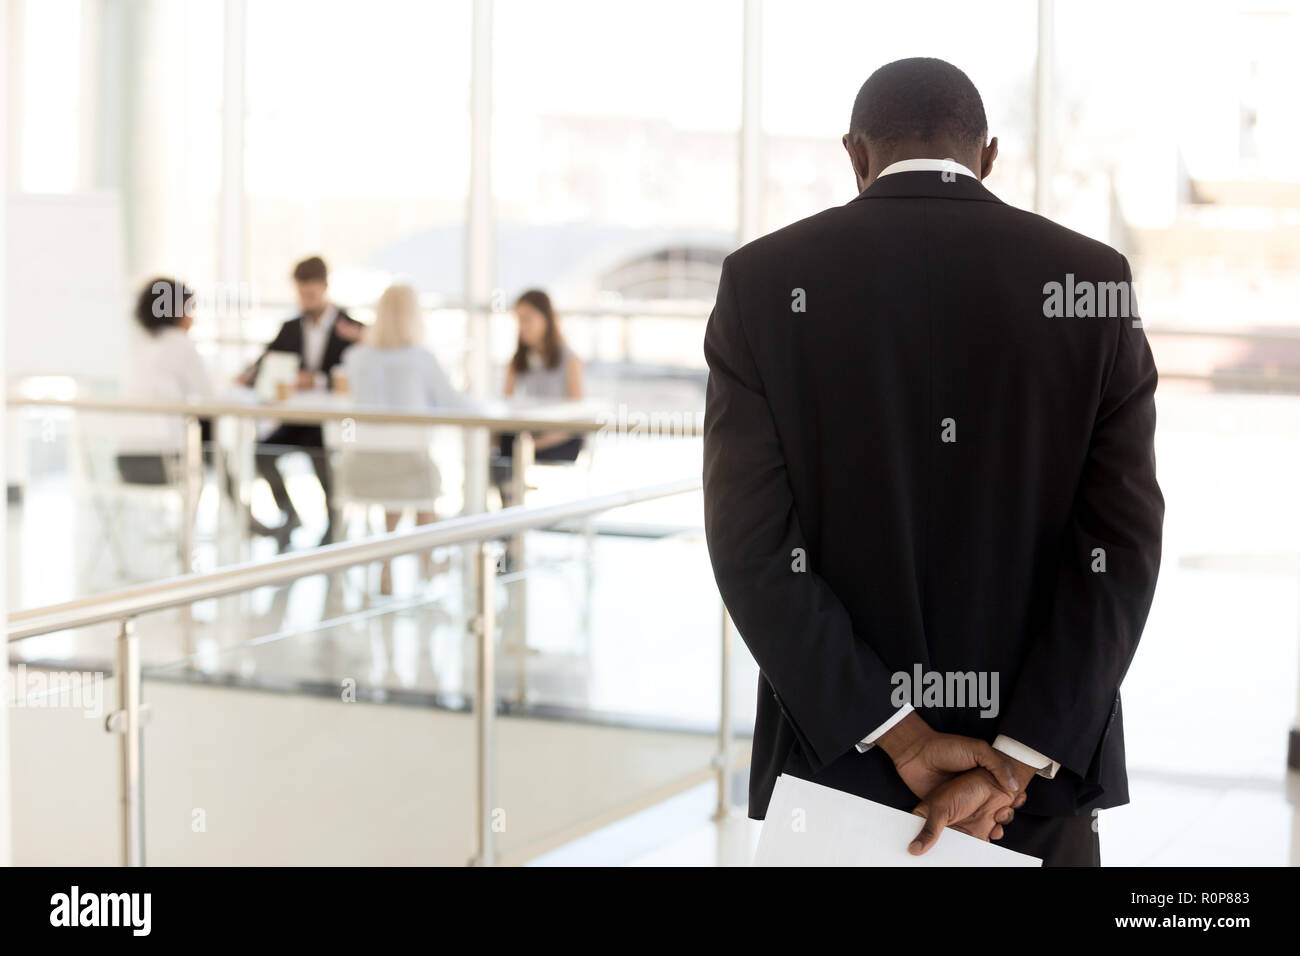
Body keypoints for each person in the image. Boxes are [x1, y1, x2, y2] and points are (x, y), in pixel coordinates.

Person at [702, 58, 1164, 867]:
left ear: (855, 153)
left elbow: (751, 548)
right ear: (988, 156)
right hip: (1036, 802)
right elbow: (1121, 552)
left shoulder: (763, 283)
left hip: (836, 775)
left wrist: (904, 738)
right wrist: (1015, 760)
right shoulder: (1093, 281)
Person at [339, 283, 465, 592]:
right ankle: (427, 563)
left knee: (395, 475)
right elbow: (452, 405)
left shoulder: (356, 357)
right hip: (409, 469)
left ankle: (385, 565)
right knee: (418, 477)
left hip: (361, 470)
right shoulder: (421, 359)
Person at [240, 256, 363, 546]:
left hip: (330, 422)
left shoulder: (351, 328)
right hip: (296, 417)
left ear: (324, 287)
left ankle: (334, 526)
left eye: (311, 293)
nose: (305, 299)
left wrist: (317, 380)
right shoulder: (291, 327)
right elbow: (265, 361)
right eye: (301, 293)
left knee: (321, 459)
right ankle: (290, 514)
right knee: (262, 453)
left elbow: (359, 374)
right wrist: (248, 374)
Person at [492, 289, 584, 504]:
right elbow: (505, 404)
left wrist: (536, 443)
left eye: (528, 319)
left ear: (546, 319)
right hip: (525, 437)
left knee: (509, 450)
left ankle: (510, 520)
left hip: (560, 438)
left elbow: (577, 418)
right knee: (501, 446)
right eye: (519, 320)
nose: (523, 326)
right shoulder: (517, 362)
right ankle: (508, 518)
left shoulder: (569, 360)